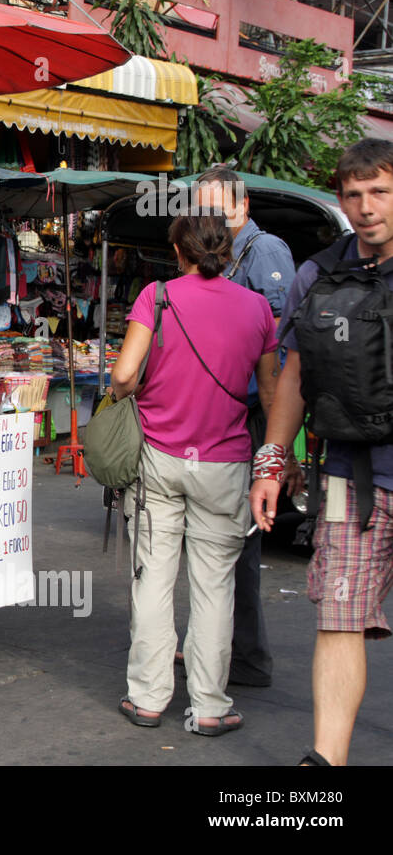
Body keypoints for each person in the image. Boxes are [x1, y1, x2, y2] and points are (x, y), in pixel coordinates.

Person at [250, 138, 393, 765]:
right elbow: (294, 378)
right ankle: (325, 766)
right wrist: (272, 461)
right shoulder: (317, 273)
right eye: (354, 194)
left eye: (381, 192)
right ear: (341, 199)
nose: (367, 208)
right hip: (349, 475)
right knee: (339, 615)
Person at [110, 208, 280, 734]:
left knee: (154, 579)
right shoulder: (257, 309)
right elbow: (273, 394)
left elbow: (122, 374)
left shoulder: (156, 297)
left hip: (159, 460)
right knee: (214, 587)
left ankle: (148, 698)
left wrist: (132, 394)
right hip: (226, 464)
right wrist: (278, 459)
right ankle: (208, 706)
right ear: (227, 250)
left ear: (179, 252)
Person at [180, 166, 300, 688]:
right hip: (222, 414)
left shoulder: (265, 252)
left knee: (239, 542)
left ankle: (246, 658)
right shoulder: (221, 261)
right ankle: (221, 646)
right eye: (201, 210)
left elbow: (281, 348)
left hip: (252, 416)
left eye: (219, 209)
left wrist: (281, 446)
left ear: (242, 207)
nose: (212, 220)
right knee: (221, 539)